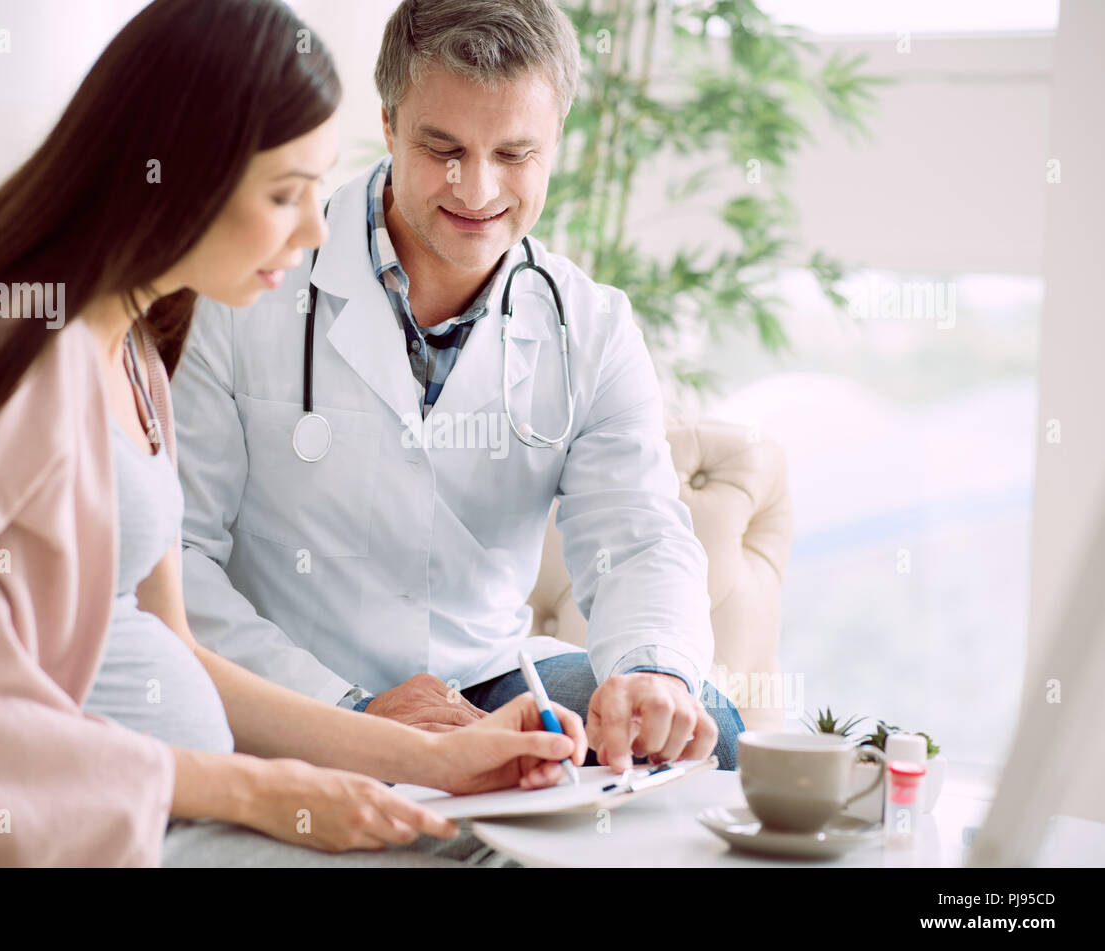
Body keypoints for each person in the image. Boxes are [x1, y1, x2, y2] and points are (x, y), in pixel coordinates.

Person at [0, 0, 586, 868]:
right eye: (285, 194)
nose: (318, 230)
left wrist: (434, 759)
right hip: (73, 829)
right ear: (176, 175)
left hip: (178, 803)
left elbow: (177, 644)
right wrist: (262, 792)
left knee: (517, 844)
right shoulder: (17, 368)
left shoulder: (137, 349)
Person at [173, 0, 745, 774]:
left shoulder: (592, 326)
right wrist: (355, 714)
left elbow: (637, 535)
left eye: (515, 154)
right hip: (298, 693)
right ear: (388, 124)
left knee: (711, 725)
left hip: (489, 685)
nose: (476, 189)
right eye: (443, 147)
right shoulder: (247, 286)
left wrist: (655, 670)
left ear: (556, 143)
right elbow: (179, 560)